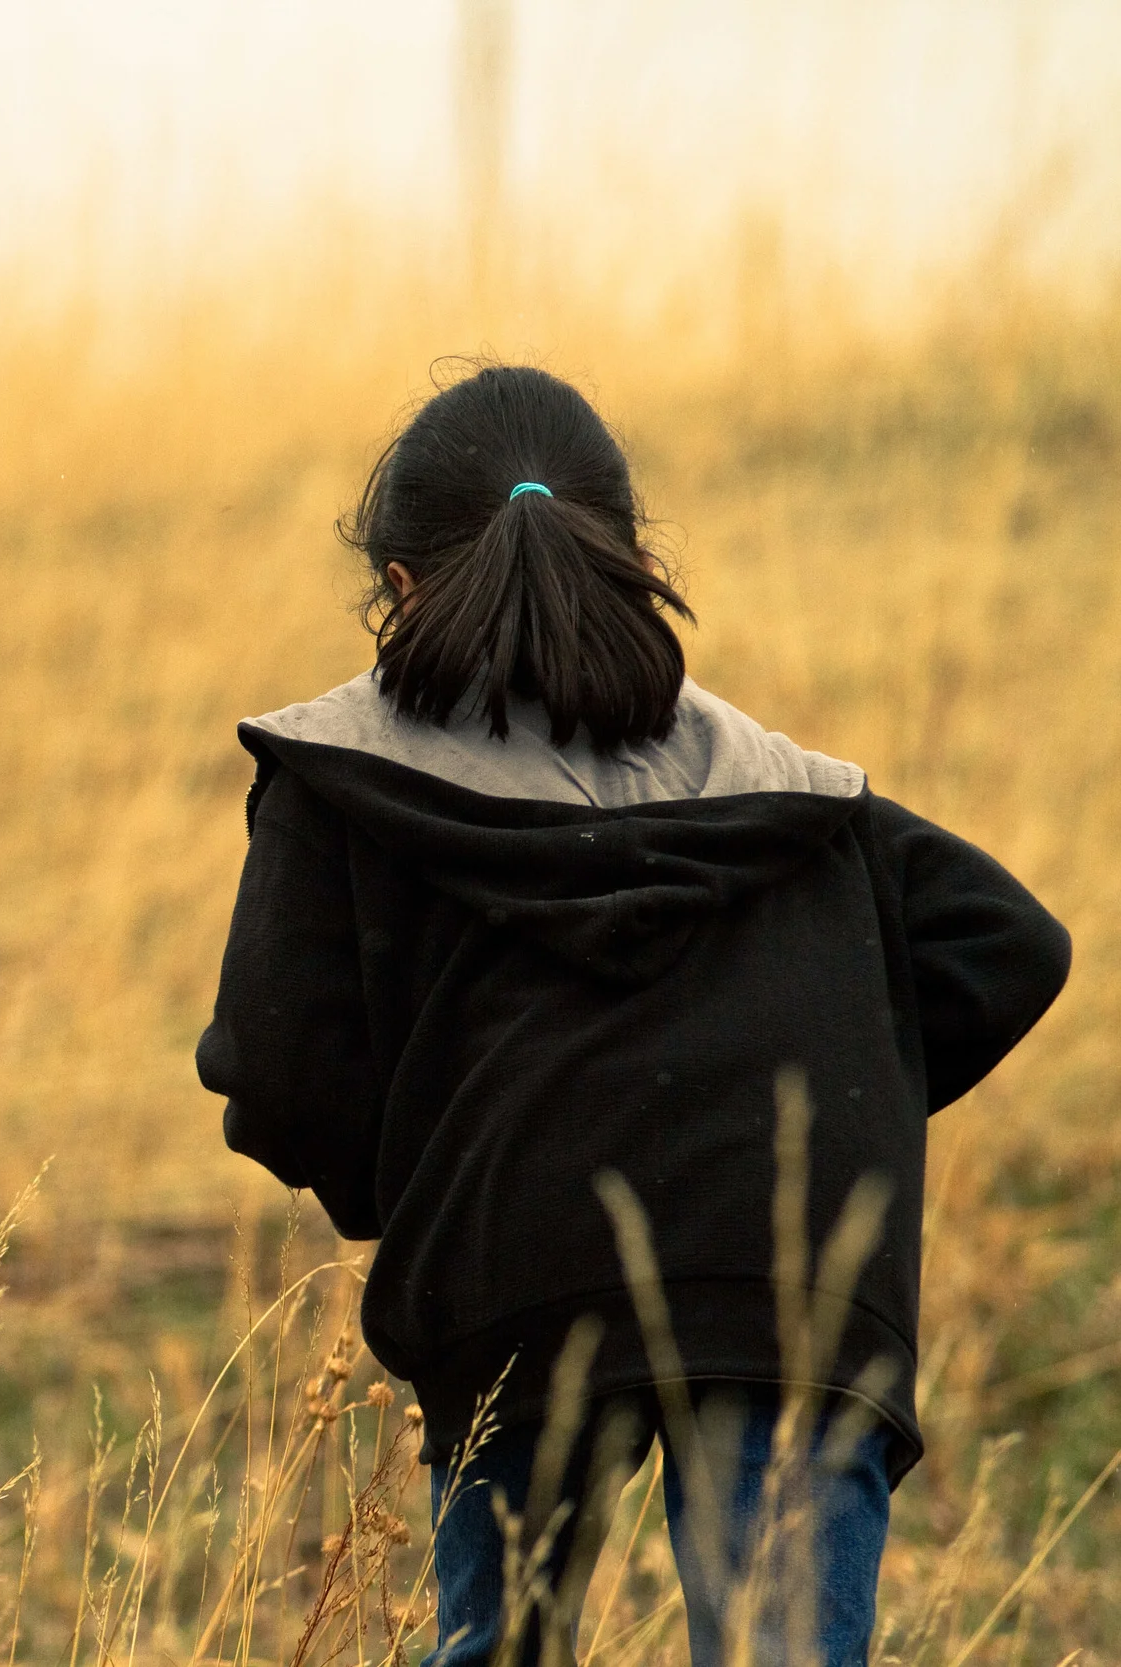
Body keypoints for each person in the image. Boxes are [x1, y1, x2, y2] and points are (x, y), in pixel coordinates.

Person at [195, 366, 1069, 1665]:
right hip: (795, 1270)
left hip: (515, 1253)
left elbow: (274, 1063)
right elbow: (1010, 941)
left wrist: (428, 1166)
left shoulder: (344, 771)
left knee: (505, 1649)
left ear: (399, 585)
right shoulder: (787, 786)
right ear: (634, 558)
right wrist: (835, 1094)